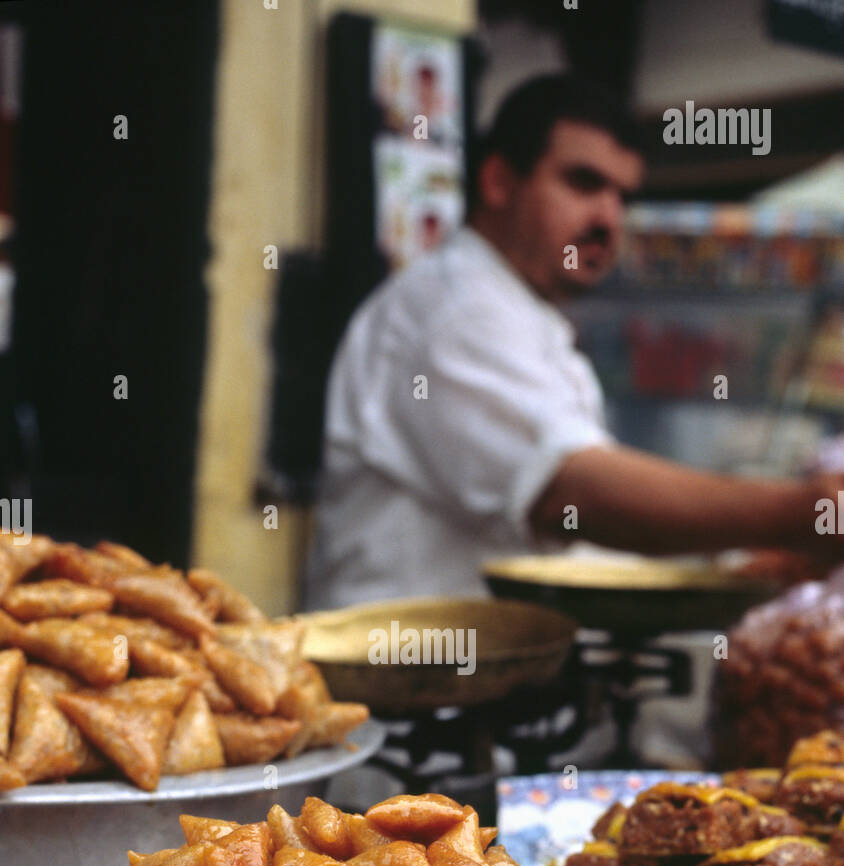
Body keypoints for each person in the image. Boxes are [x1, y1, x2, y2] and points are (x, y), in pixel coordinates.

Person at [306, 75, 839, 609]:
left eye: (623, 197)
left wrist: (745, 563)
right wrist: (804, 512)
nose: (608, 219)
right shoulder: (455, 310)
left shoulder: (522, 313)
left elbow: (576, 544)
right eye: (584, 184)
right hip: (415, 682)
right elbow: (573, 494)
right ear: (498, 182)